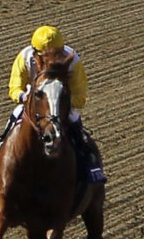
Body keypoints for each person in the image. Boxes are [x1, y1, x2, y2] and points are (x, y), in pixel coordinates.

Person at [6, 25, 104, 184]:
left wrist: (59, 101)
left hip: (63, 106)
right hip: (34, 103)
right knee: (10, 127)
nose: (51, 59)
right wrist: (23, 96)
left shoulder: (72, 61)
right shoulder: (24, 57)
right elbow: (14, 87)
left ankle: (92, 166)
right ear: (36, 54)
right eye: (45, 55)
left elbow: (81, 96)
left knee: (78, 131)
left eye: (57, 54)